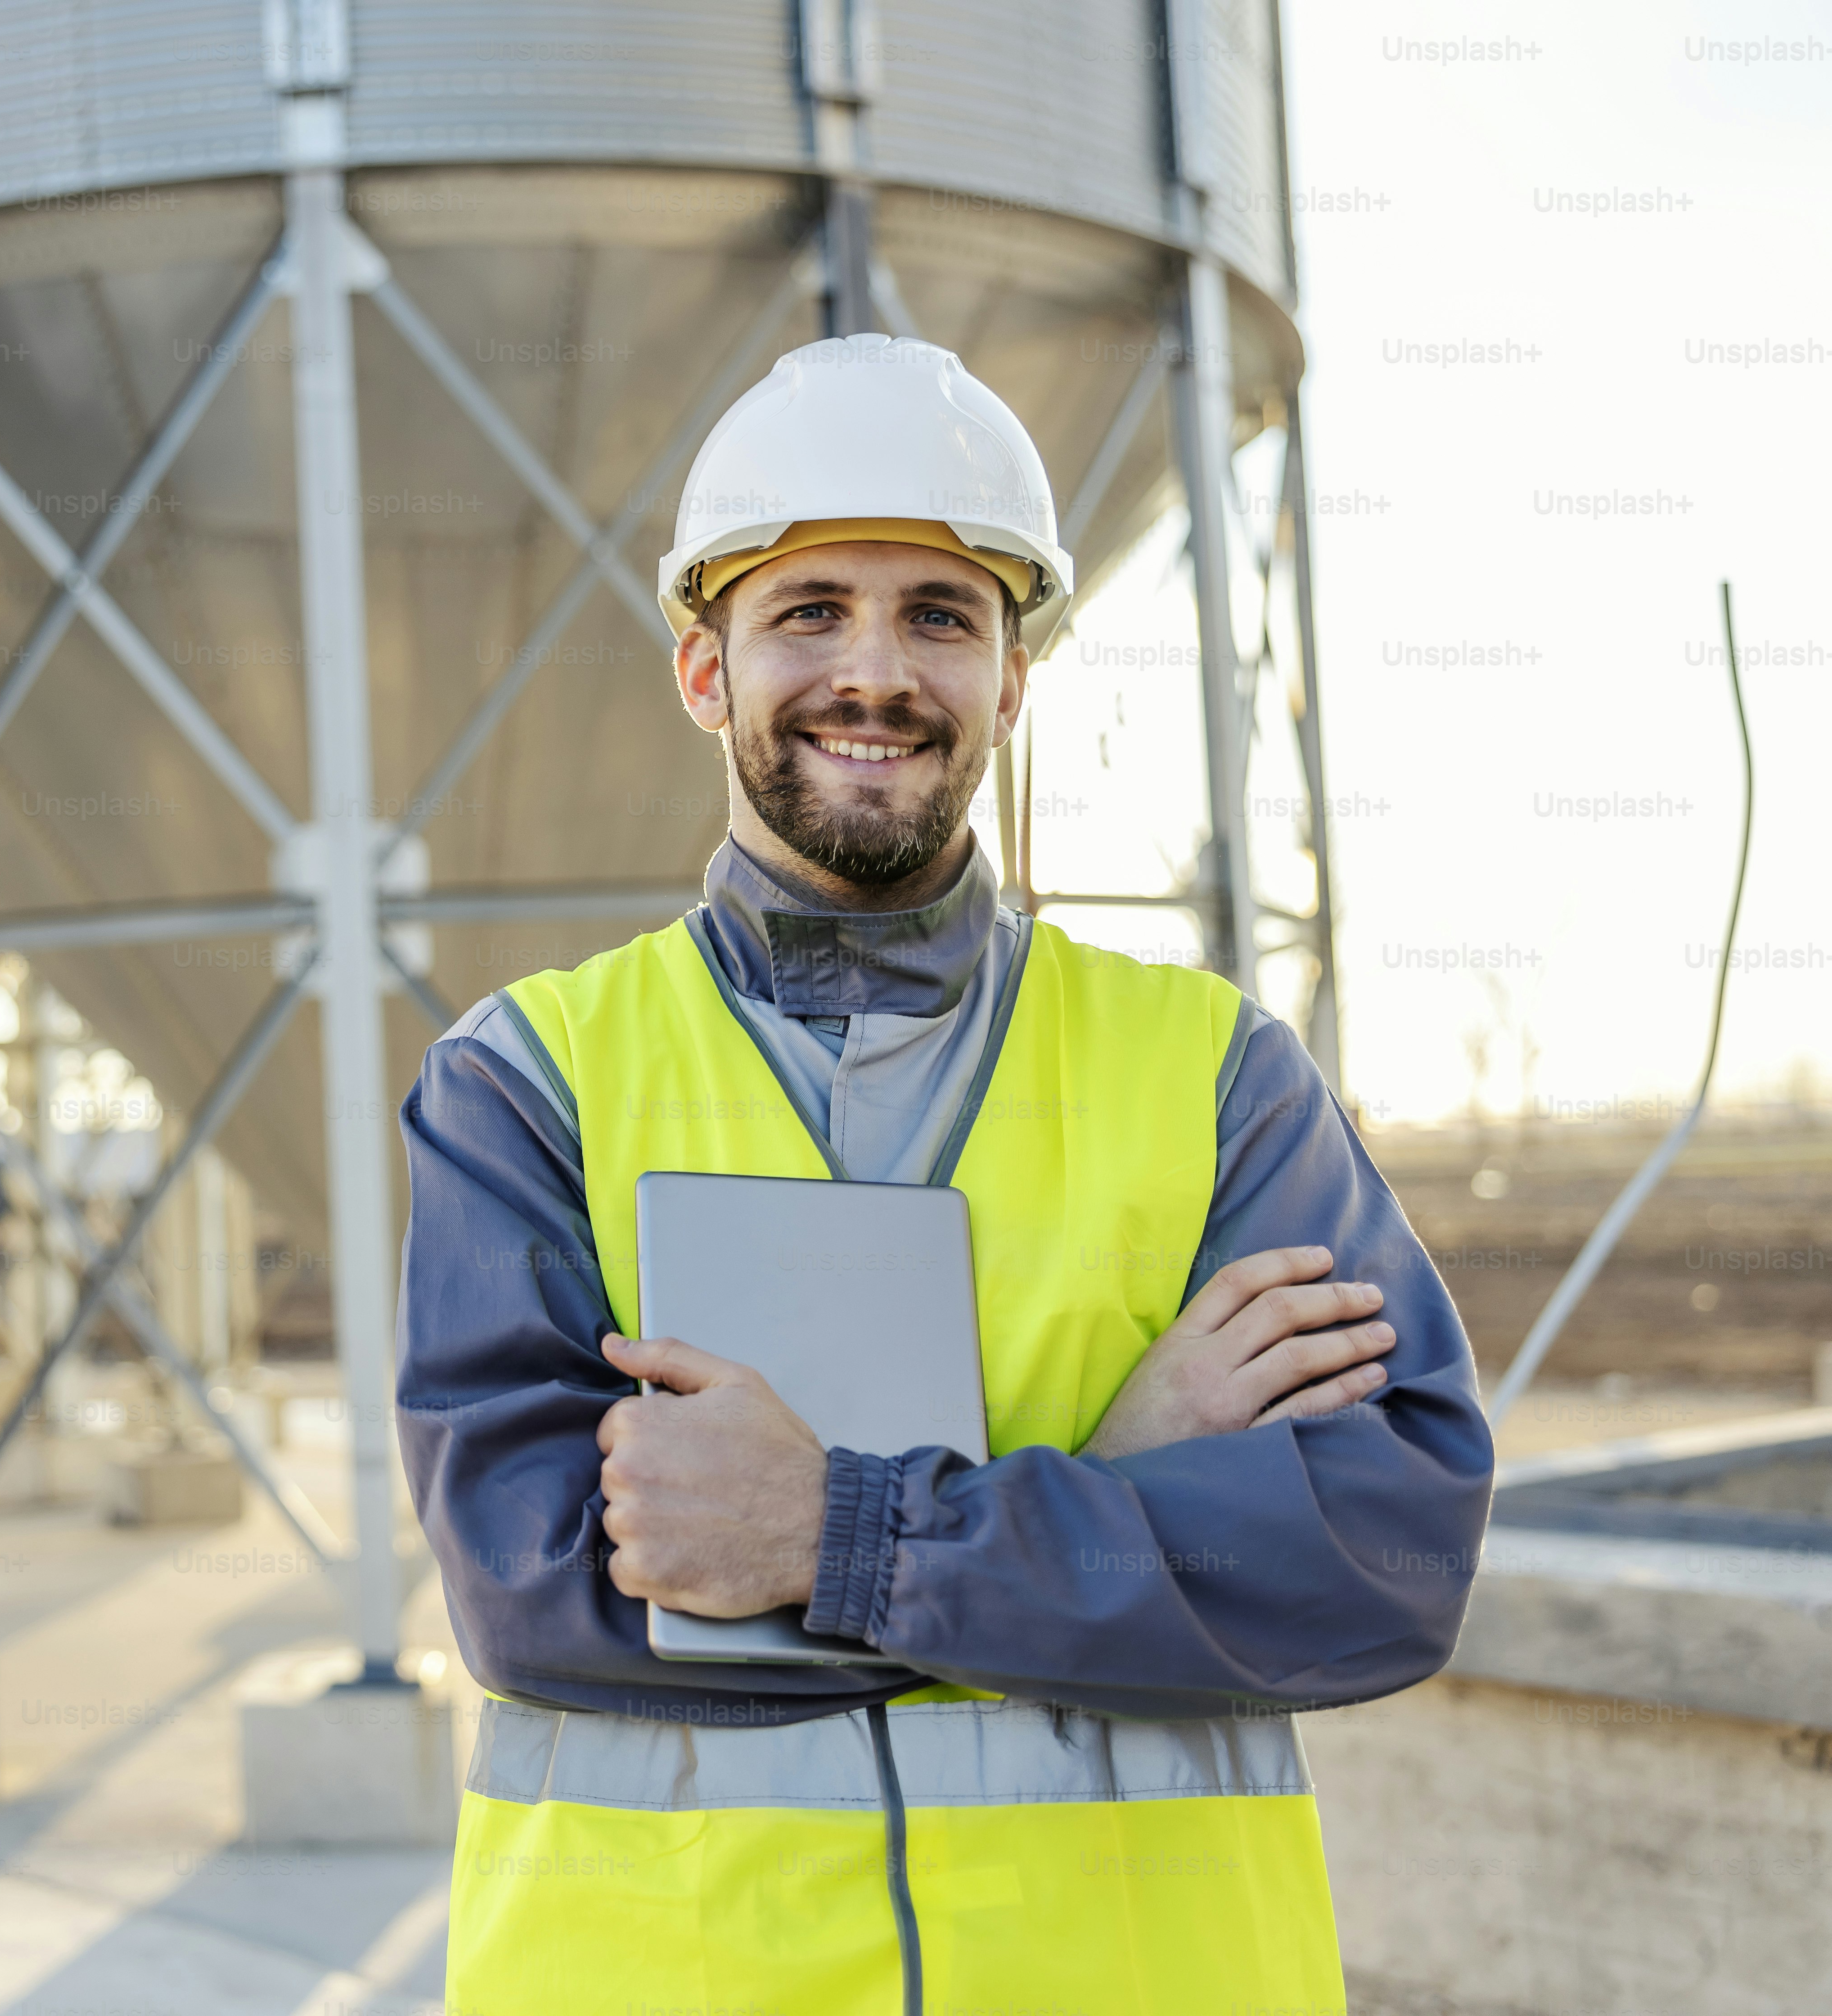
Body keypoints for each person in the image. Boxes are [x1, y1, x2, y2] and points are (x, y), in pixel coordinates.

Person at [395, 333, 1492, 2013]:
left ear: (1010, 681)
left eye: (939, 616)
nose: (876, 673)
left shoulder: (1215, 1078)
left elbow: (1381, 1564)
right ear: (703, 670)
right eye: (809, 611)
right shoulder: (528, 1083)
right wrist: (1108, 1487)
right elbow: (542, 1595)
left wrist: (835, 1538)